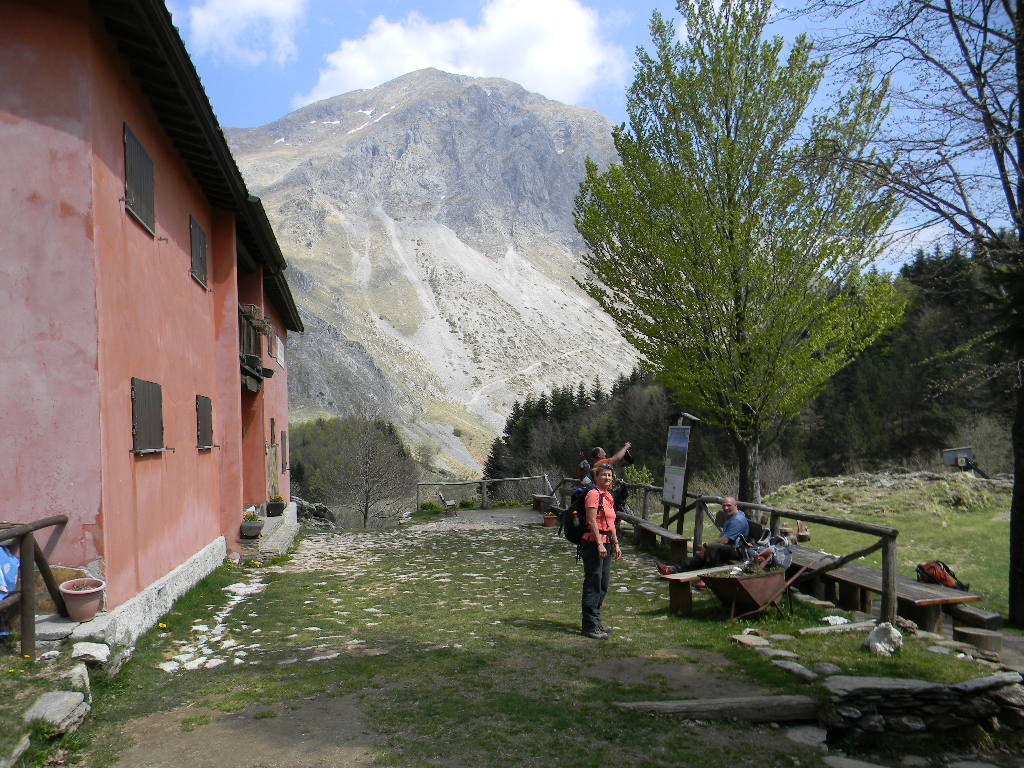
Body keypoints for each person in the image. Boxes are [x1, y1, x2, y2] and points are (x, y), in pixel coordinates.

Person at [581, 464, 622, 639]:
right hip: (593, 544)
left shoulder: (608, 496)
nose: (607, 478)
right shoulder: (593, 494)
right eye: (604, 475)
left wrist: (616, 543)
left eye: (610, 475)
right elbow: (591, 521)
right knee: (593, 583)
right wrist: (599, 543)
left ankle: (596, 622)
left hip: (607, 544)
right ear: (596, 477)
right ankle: (590, 626)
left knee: (603, 584)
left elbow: (611, 523)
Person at [656, 496, 749, 574]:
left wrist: (706, 545)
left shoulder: (737, 520)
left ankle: (708, 576)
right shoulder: (733, 515)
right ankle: (673, 570)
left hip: (738, 552)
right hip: (729, 548)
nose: (726, 508)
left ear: (736, 506)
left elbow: (725, 540)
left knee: (713, 548)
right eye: (724, 505)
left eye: (729, 505)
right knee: (705, 552)